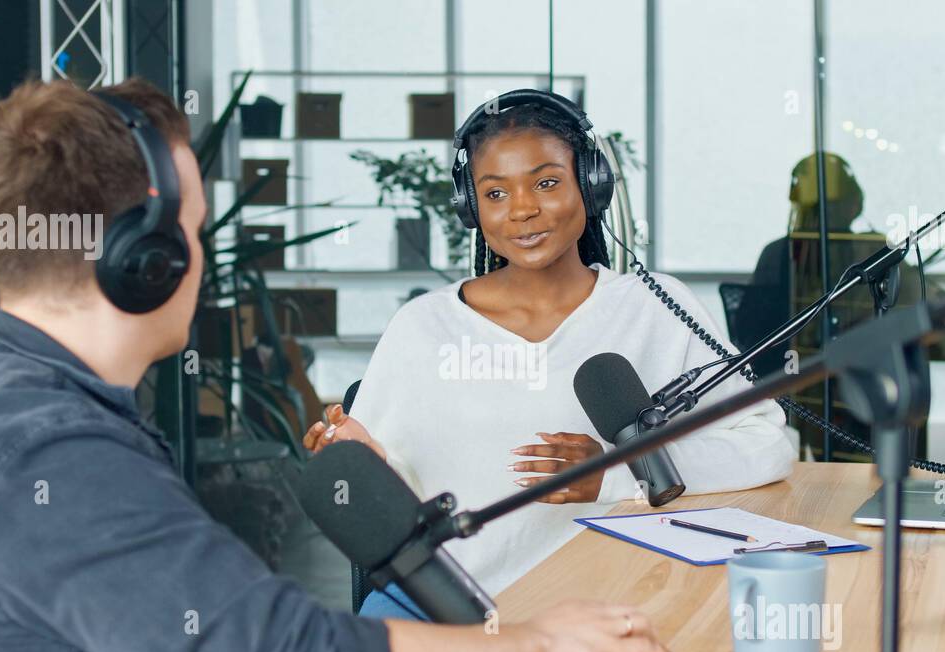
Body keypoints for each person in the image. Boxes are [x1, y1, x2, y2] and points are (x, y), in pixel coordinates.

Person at [0, 78, 672, 652]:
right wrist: (540, 645)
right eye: (196, 232)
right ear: (150, 257)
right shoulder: (50, 458)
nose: (200, 258)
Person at [304, 93, 795, 619]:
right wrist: (364, 465)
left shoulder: (653, 308)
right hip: (448, 603)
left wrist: (620, 474)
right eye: (495, 193)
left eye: (545, 182)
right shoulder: (423, 328)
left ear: (589, 185)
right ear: (472, 208)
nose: (522, 209)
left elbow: (767, 444)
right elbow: (399, 502)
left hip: (609, 601)